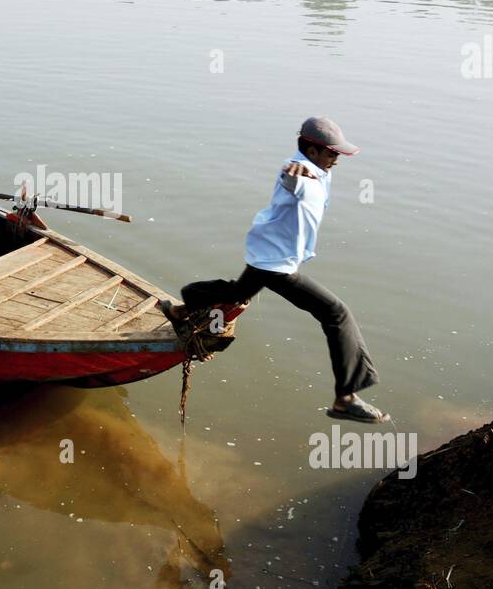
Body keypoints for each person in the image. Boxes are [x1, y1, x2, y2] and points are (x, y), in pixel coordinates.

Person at [162, 116, 388, 423]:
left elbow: (310, 177)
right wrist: (293, 173)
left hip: (269, 253)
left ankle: (182, 309)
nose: (337, 159)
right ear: (311, 151)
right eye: (332, 153)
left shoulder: (320, 169)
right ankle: (345, 397)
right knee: (336, 314)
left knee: (238, 292)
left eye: (338, 153)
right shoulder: (299, 171)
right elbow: (292, 178)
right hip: (276, 265)